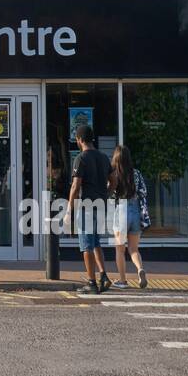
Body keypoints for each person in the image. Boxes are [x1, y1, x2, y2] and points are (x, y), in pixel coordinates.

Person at [65, 123, 111, 294]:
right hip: (101, 206)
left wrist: (70, 209)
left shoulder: (81, 158)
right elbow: (113, 179)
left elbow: (75, 187)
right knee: (96, 242)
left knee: (86, 246)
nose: (76, 141)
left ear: (80, 139)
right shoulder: (104, 157)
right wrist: (106, 194)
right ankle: (104, 276)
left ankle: (91, 282)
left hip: (87, 206)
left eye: (76, 139)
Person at [108, 145, 149, 289]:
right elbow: (143, 191)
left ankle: (123, 280)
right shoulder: (136, 173)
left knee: (120, 250)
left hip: (121, 210)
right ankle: (140, 269)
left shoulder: (114, 174)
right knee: (133, 249)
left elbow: (111, 194)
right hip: (135, 210)